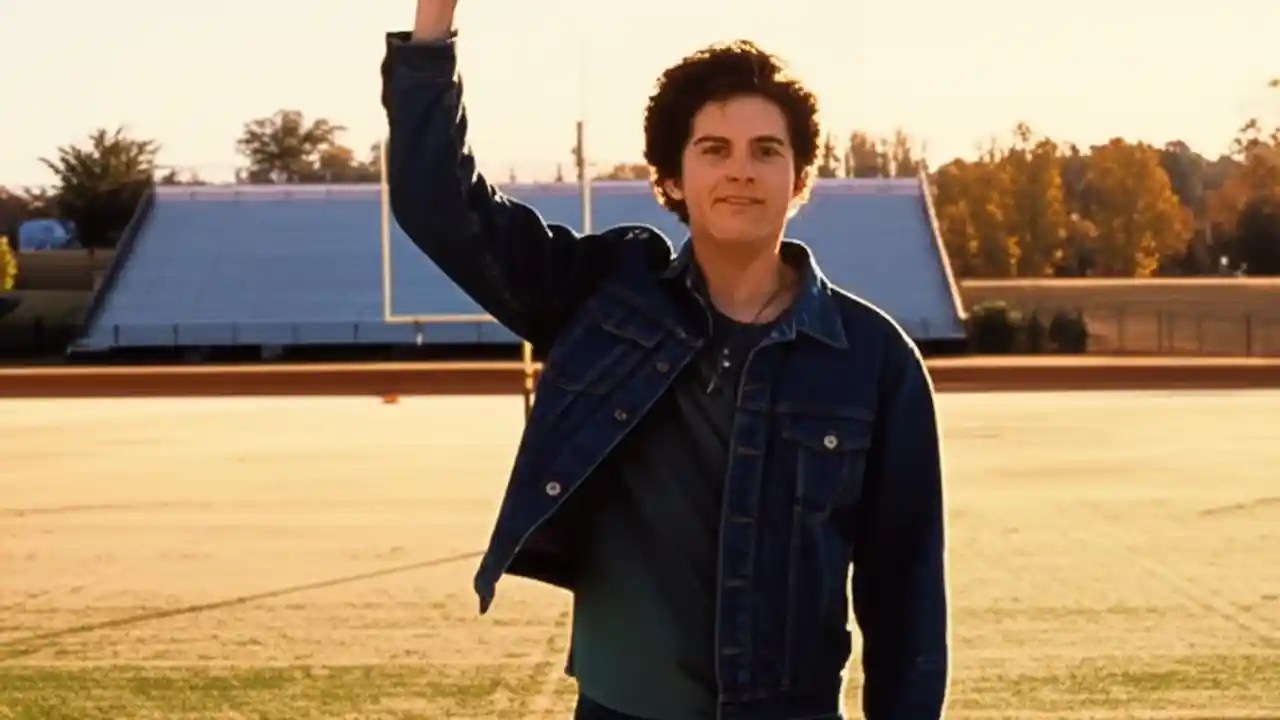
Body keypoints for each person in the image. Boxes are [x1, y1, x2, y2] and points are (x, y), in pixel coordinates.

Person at [381, 2, 949, 718]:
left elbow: (906, 592)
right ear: (672, 179)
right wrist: (434, 22)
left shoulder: (873, 359)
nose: (740, 171)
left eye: (765, 150)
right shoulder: (604, 298)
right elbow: (438, 205)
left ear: (799, 179)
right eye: (714, 149)